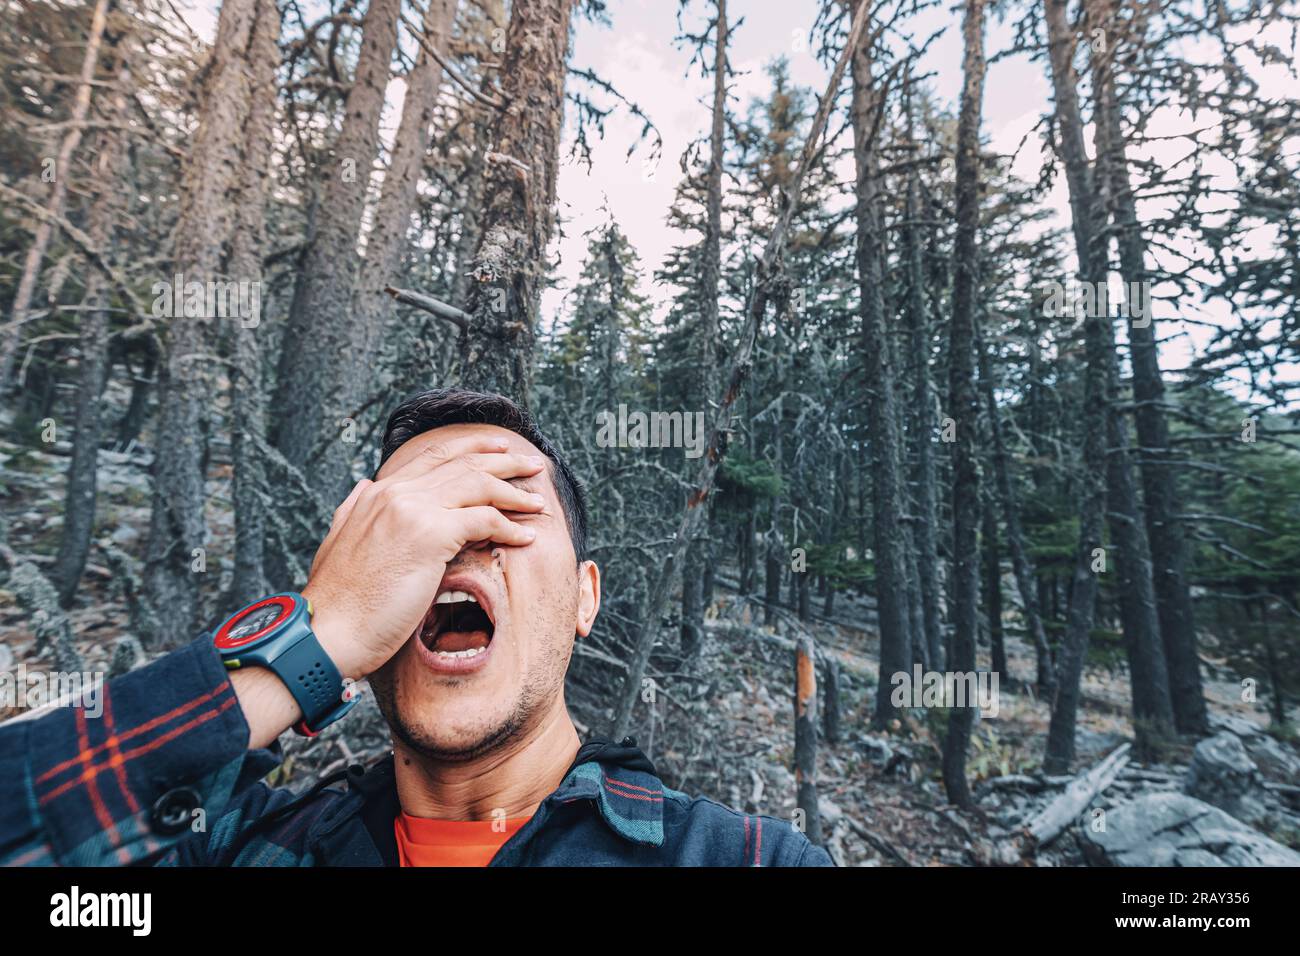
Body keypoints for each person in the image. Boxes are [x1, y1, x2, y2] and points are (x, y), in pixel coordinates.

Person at [0, 388, 832, 867]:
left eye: (506, 506)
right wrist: (301, 649)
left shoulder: (745, 861)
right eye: (415, 516)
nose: (455, 537)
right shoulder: (230, 853)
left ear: (585, 599)